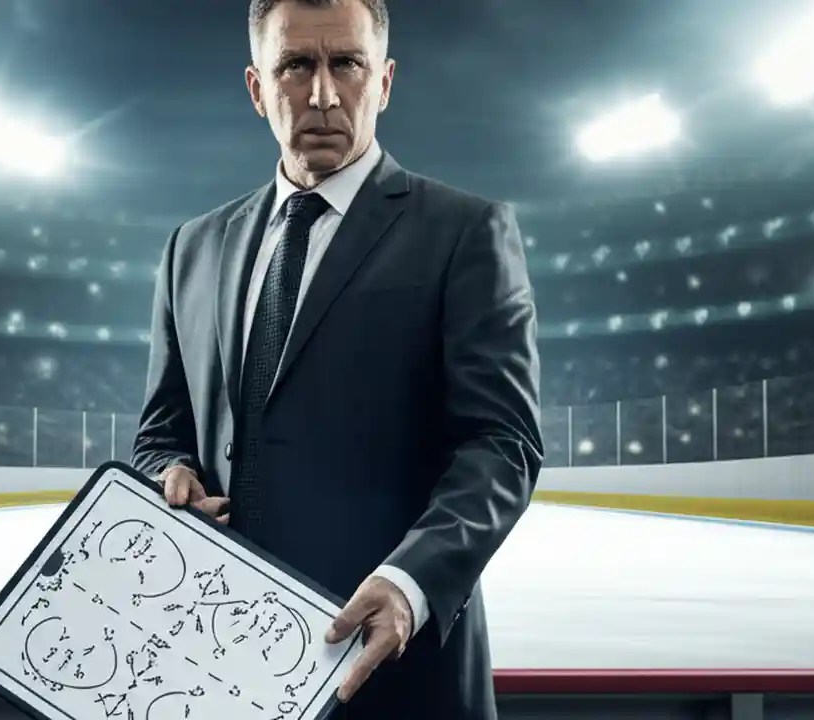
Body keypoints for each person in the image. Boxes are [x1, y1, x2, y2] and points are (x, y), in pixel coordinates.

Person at [131, 0, 543, 716]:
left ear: (382, 82)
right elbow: (159, 433)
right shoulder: (191, 248)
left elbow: (502, 445)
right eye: (295, 65)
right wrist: (169, 476)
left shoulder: (466, 232)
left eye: (344, 63)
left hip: (396, 669)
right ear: (259, 89)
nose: (321, 93)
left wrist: (413, 586)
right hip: (217, 668)